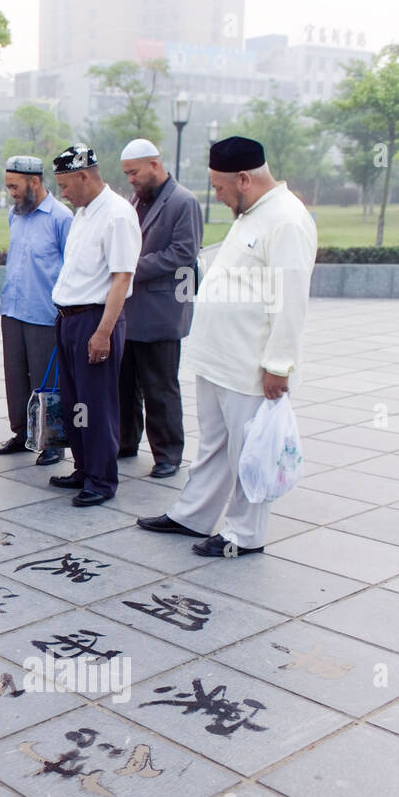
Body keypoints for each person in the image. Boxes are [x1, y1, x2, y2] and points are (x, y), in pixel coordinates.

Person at [137, 136, 317, 557]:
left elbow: (291, 301)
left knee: (248, 452)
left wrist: (279, 365)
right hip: (217, 358)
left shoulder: (287, 220)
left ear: (243, 179)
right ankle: (193, 514)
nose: (216, 196)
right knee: (215, 445)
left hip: (250, 365)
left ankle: (244, 534)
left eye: (218, 187)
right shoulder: (251, 211)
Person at [46, 144, 142, 506]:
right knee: (75, 403)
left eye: (66, 185)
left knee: (97, 405)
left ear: (85, 176)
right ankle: (84, 468)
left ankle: (102, 480)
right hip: (68, 318)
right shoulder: (84, 213)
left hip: (95, 320)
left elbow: (121, 279)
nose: (63, 193)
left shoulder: (117, 215)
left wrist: (103, 333)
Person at [118, 138, 204, 479]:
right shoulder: (135, 200)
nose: (131, 180)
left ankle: (168, 454)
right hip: (129, 311)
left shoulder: (184, 202)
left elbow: (183, 253)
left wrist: (130, 267)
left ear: (154, 165)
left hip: (161, 314)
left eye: (134, 172)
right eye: (127, 175)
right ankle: (125, 441)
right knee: (124, 386)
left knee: (159, 387)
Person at [0, 155, 72, 466]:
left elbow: (70, 267)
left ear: (34, 182)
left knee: (46, 380)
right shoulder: (16, 215)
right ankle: (22, 433)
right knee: (15, 378)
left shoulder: (61, 218)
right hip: (12, 309)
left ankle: (52, 442)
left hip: (45, 313)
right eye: (8, 186)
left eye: (14, 186)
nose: (10, 191)